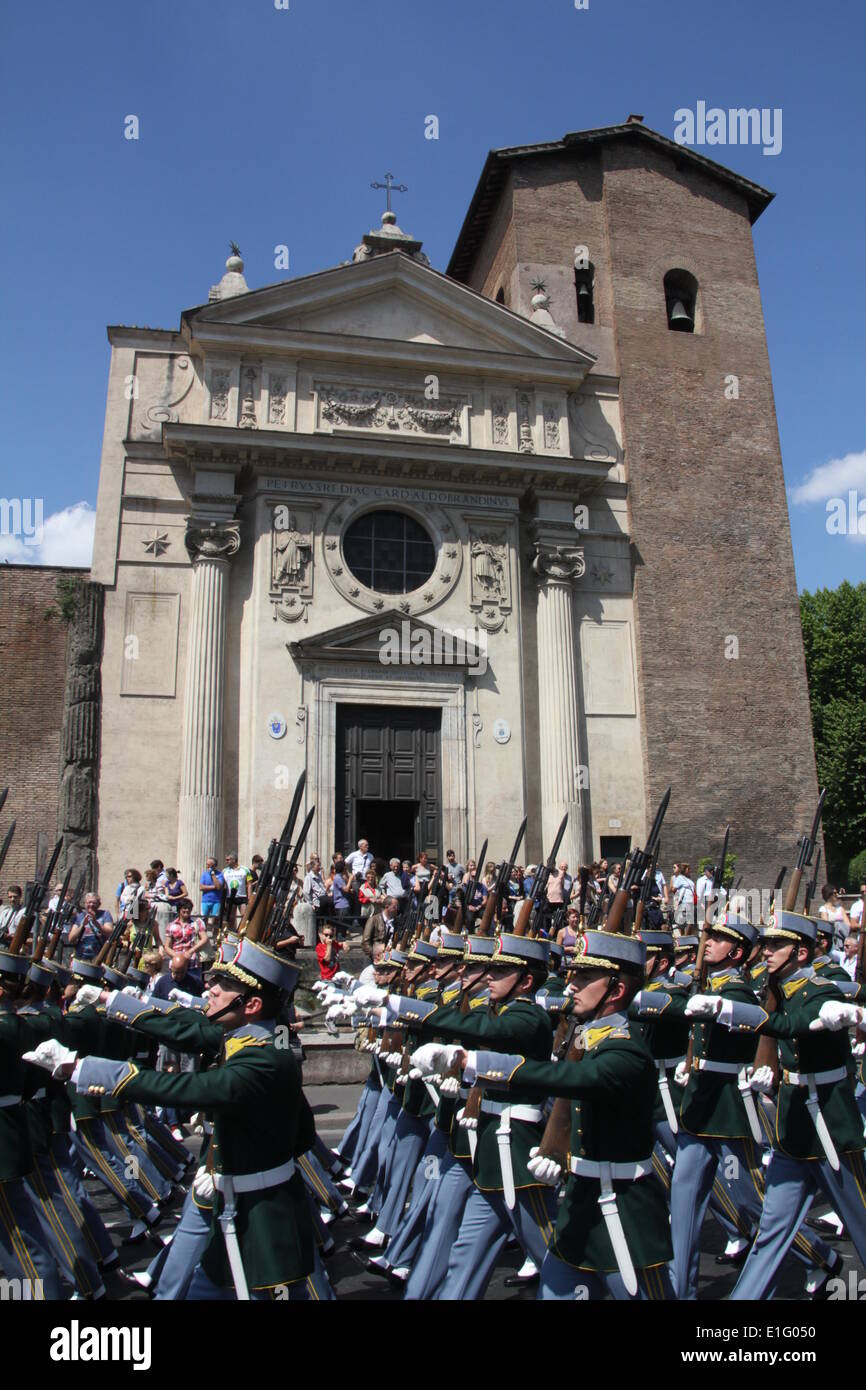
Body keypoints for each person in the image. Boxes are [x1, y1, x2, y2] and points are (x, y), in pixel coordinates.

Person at [162, 900, 208, 970]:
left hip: (193, 961)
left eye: (189, 908)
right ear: (179, 910)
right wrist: (176, 956)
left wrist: (191, 951)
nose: (187, 910)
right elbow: (167, 946)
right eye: (184, 908)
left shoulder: (197, 923)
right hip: (176, 962)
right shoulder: (171, 926)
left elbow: (204, 938)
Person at [67, 894, 113, 960]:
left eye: (94, 903)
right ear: (85, 904)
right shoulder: (80, 916)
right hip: (81, 956)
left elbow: (109, 932)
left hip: (99, 957)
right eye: (89, 902)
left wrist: (95, 922)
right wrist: (82, 925)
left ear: (99, 904)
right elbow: (71, 938)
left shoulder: (105, 914)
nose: (91, 905)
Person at [819, 883, 851, 956]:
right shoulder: (823, 909)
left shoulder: (840, 908)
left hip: (843, 938)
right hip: (832, 940)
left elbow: (848, 925)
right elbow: (826, 926)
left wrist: (837, 925)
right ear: (829, 894)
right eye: (835, 893)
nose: (837, 894)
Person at [199, 858, 224, 926]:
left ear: (214, 865)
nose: (207, 866)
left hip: (216, 901)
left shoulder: (220, 874)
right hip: (205, 900)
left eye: (209, 865)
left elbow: (218, 887)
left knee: (215, 919)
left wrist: (213, 875)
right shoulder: (204, 874)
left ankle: (215, 935)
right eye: (207, 864)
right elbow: (201, 887)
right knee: (203, 919)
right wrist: (213, 887)